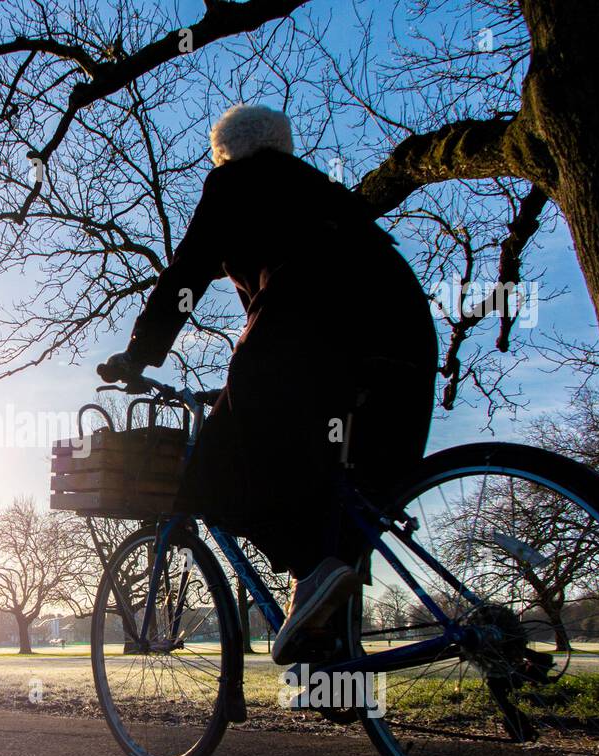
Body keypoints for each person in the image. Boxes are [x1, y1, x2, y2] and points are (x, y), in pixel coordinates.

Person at [99, 104, 437, 665]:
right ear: (284, 144)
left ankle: (314, 573)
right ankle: (332, 662)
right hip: (405, 335)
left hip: (314, 323)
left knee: (214, 474)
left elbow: (186, 277)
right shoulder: (326, 193)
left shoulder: (235, 184)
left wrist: (139, 356)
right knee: (347, 496)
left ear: (225, 152)